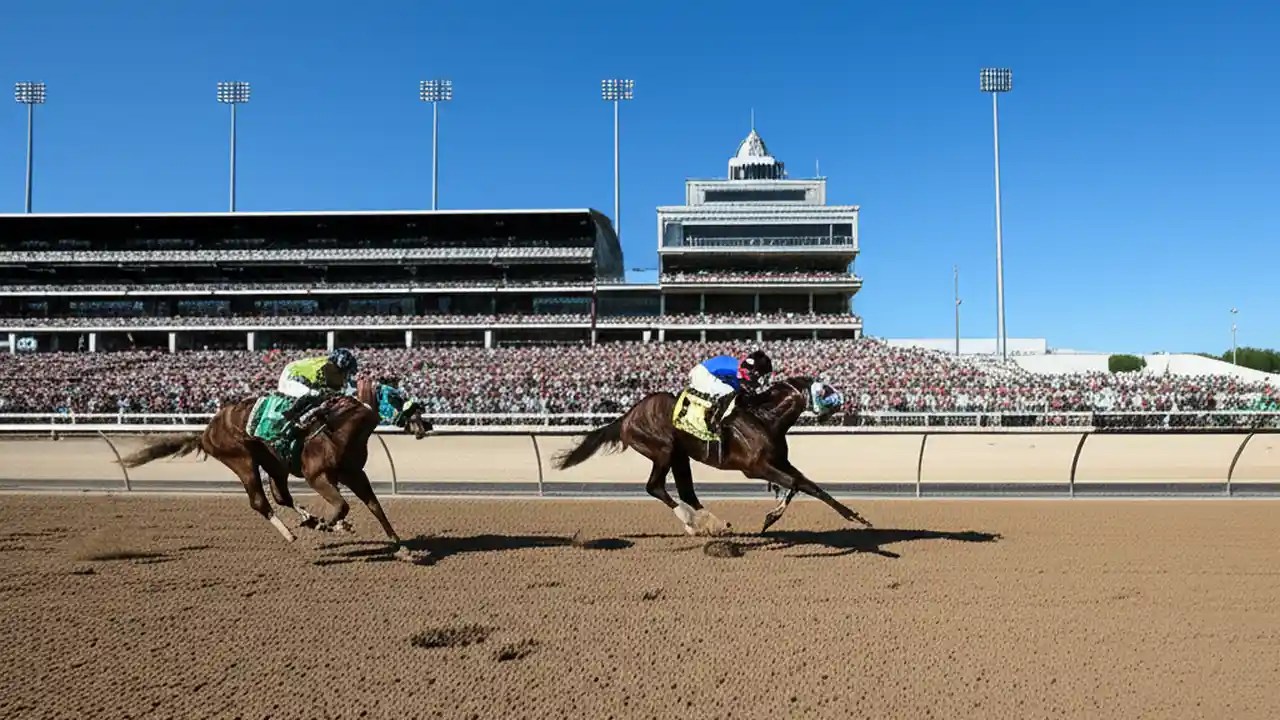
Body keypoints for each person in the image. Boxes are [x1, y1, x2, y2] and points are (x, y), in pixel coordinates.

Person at [679, 349, 773, 440]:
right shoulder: (742, 370)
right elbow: (744, 385)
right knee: (730, 392)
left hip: (707, 372)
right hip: (702, 374)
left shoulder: (743, 367)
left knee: (734, 391)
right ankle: (715, 423)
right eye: (760, 375)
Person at [277, 348, 359, 433]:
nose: (345, 379)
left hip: (302, 379)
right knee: (314, 394)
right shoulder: (325, 368)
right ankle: (290, 417)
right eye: (345, 374)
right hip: (290, 376)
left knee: (320, 397)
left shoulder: (331, 370)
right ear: (336, 368)